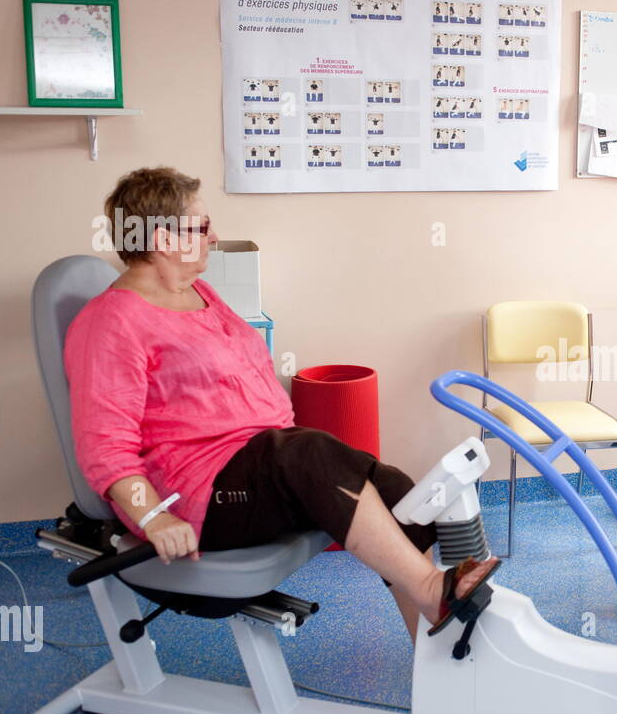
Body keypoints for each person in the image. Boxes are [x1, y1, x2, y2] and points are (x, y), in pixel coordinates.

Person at [65, 167, 498, 644]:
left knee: (394, 489)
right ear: (164, 239)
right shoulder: (111, 321)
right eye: (202, 227)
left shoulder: (197, 294)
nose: (214, 237)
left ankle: (433, 655)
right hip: (196, 494)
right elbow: (104, 445)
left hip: (257, 467)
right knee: (307, 454)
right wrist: (154, 517)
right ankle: (433, 589)